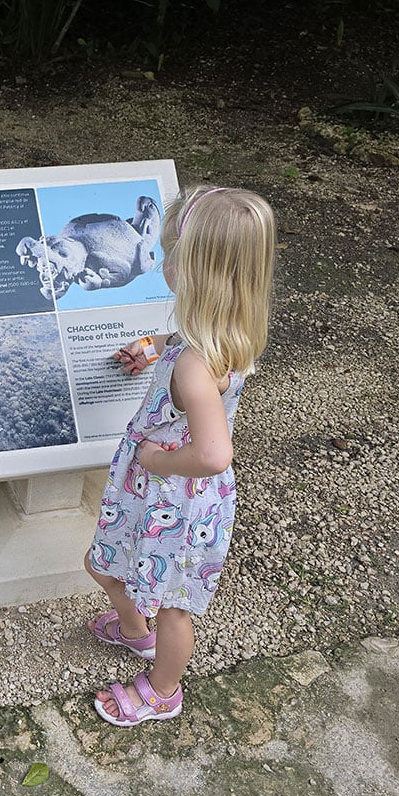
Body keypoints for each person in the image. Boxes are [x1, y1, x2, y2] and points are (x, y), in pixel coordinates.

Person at [83, 184, 275, 727]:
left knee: (171, 603)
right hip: (166, 490)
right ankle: (134, 632)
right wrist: (152, 348)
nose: (161, 260)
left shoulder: (194, 365)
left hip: (174, 492)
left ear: (191, 272)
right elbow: (183, 344)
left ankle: (162, 689)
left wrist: (154, 460)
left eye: (171, 253)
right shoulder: (225, 333)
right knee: (110, 565)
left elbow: (214, 454)